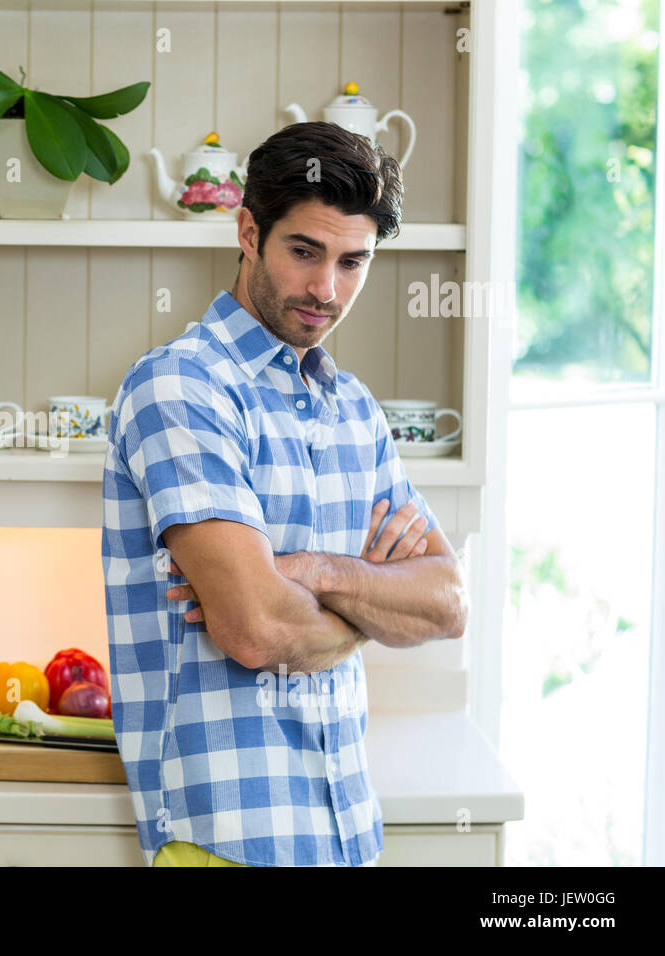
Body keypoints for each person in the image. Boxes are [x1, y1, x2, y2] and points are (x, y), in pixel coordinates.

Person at [101, 121, 469, 867]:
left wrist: (322, 574)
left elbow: (447, 603)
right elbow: (256, 631)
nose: (325, 289)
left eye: (352, 261)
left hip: (349, 835)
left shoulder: (354, 406)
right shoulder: (181, 386)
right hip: (228, 843)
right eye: (305, 251)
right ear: (248, 231)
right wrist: (374, 607)